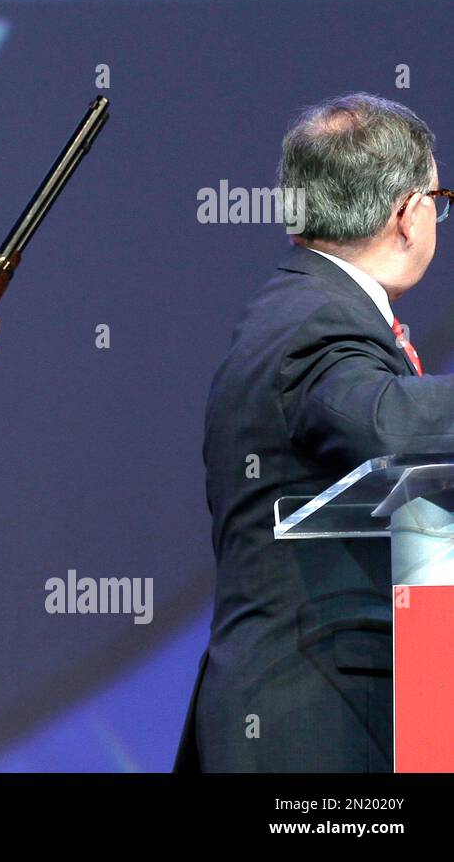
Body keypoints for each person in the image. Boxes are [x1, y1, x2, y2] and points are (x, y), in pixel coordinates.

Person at [176, 92, 454, 772]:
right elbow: (383, 424)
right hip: (312, 726)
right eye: (439, 199)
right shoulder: (314, 321)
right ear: (407, 214)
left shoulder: (303, 304)